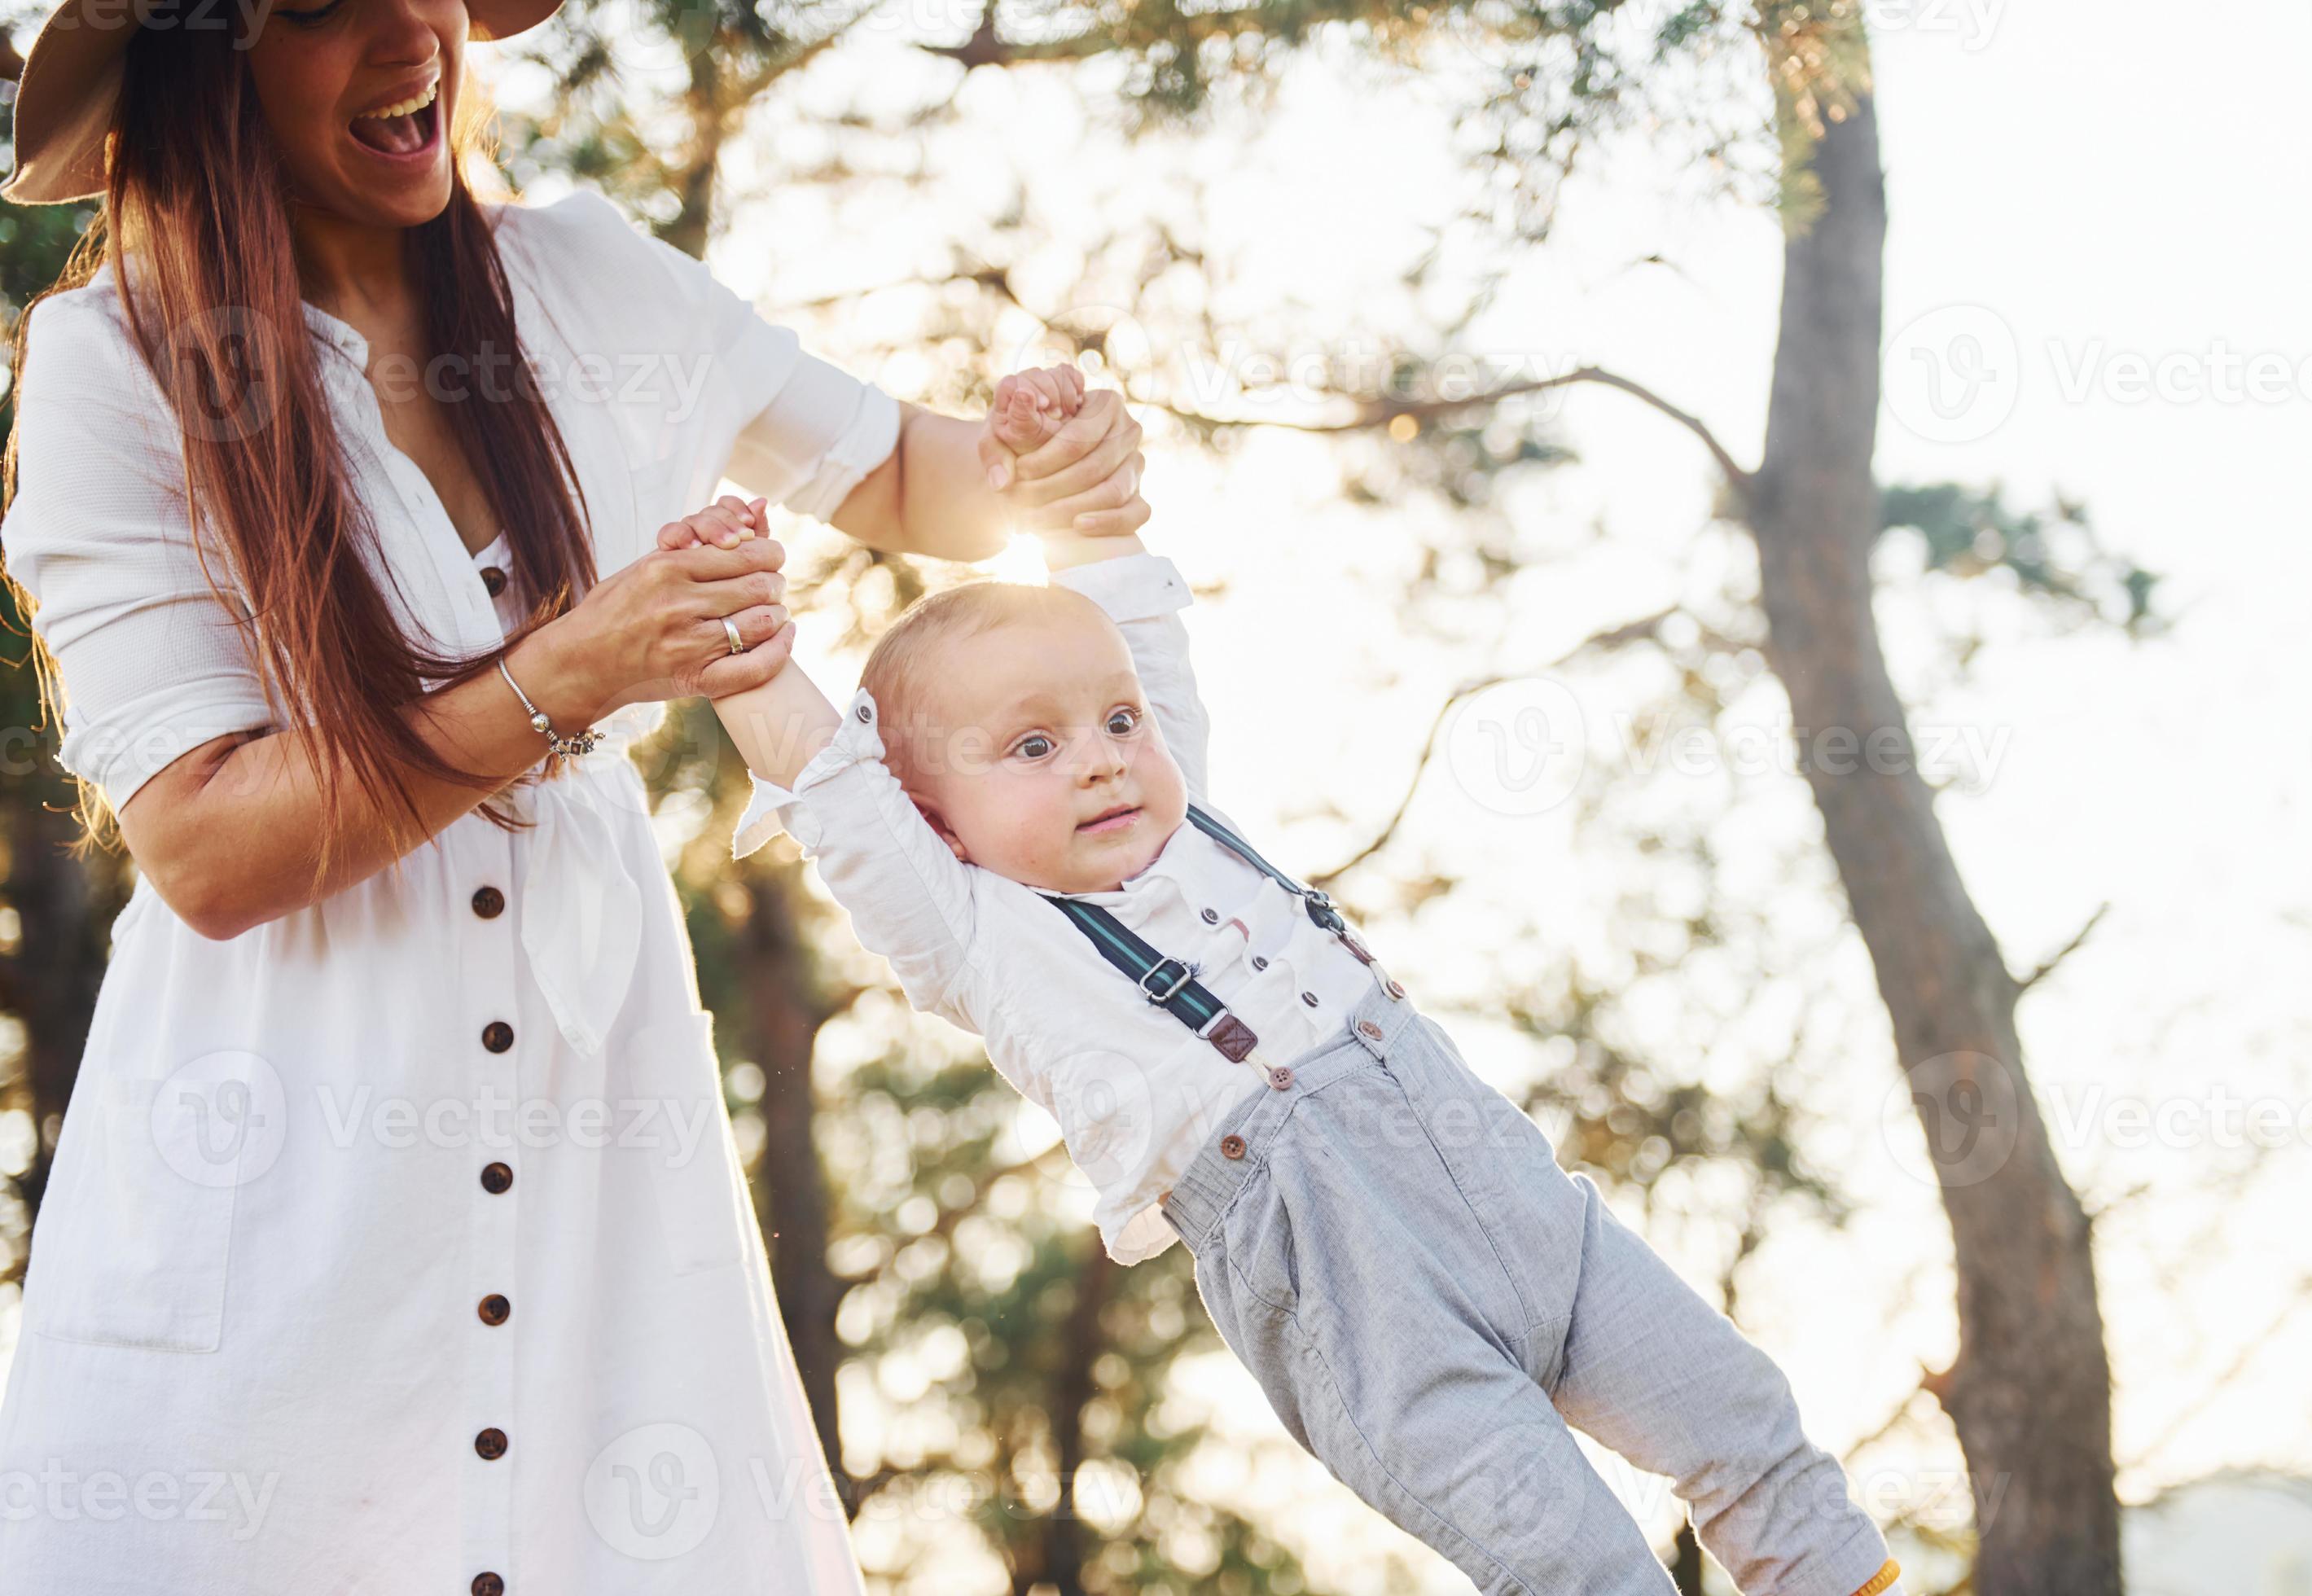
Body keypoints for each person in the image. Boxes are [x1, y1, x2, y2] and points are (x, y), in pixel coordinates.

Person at [0, 0, 1141, 1583]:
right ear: (211, 59)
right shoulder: (114, 360)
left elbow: (892, 470)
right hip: (276, 1174)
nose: (412, 39)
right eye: (328, 8)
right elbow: (202, 839)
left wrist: (1048, 453)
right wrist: (563, 674)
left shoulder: (587, 276)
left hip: (604, 1154)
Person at [658, 376, 1908, 1596]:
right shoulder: (974, 930)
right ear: (932, 821)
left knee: (1741, 1418)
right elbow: (834, 795)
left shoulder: (1186, 814)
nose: (1100, 762)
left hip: (1519, 1203)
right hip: (1345, 1283)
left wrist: (1064, 473)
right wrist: (746, 648)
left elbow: (1129, 608)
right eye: (1034, 747)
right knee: (1573, 1564)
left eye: (1114, 725)